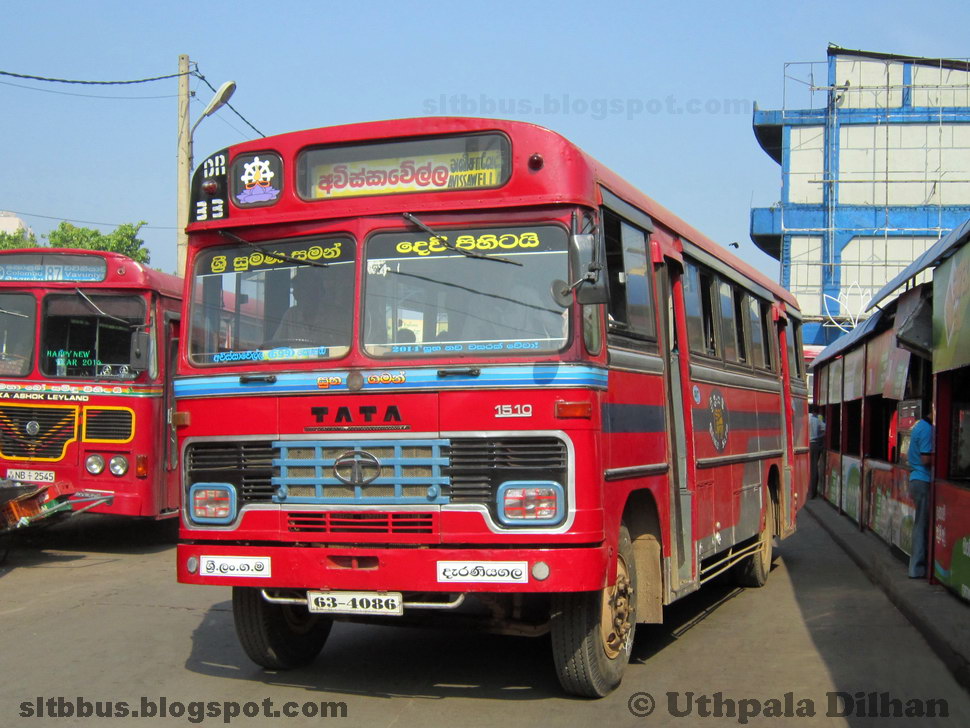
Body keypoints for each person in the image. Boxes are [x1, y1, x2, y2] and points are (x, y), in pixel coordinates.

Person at [907, 407, 934, 579]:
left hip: (916, 479)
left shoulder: (920, 426)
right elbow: (926, 459)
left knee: (921, 524)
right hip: (922, 480)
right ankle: (917, 568)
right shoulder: (927, 429)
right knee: (922, 525)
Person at [809, 409, 826, 499]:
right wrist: (819, 436)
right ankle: (813, 493)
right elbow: (825, 428)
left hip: (804, 444)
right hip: (814, 444)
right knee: (814, 468)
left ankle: (807, 491)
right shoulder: (816, 420)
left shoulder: (804, 418)